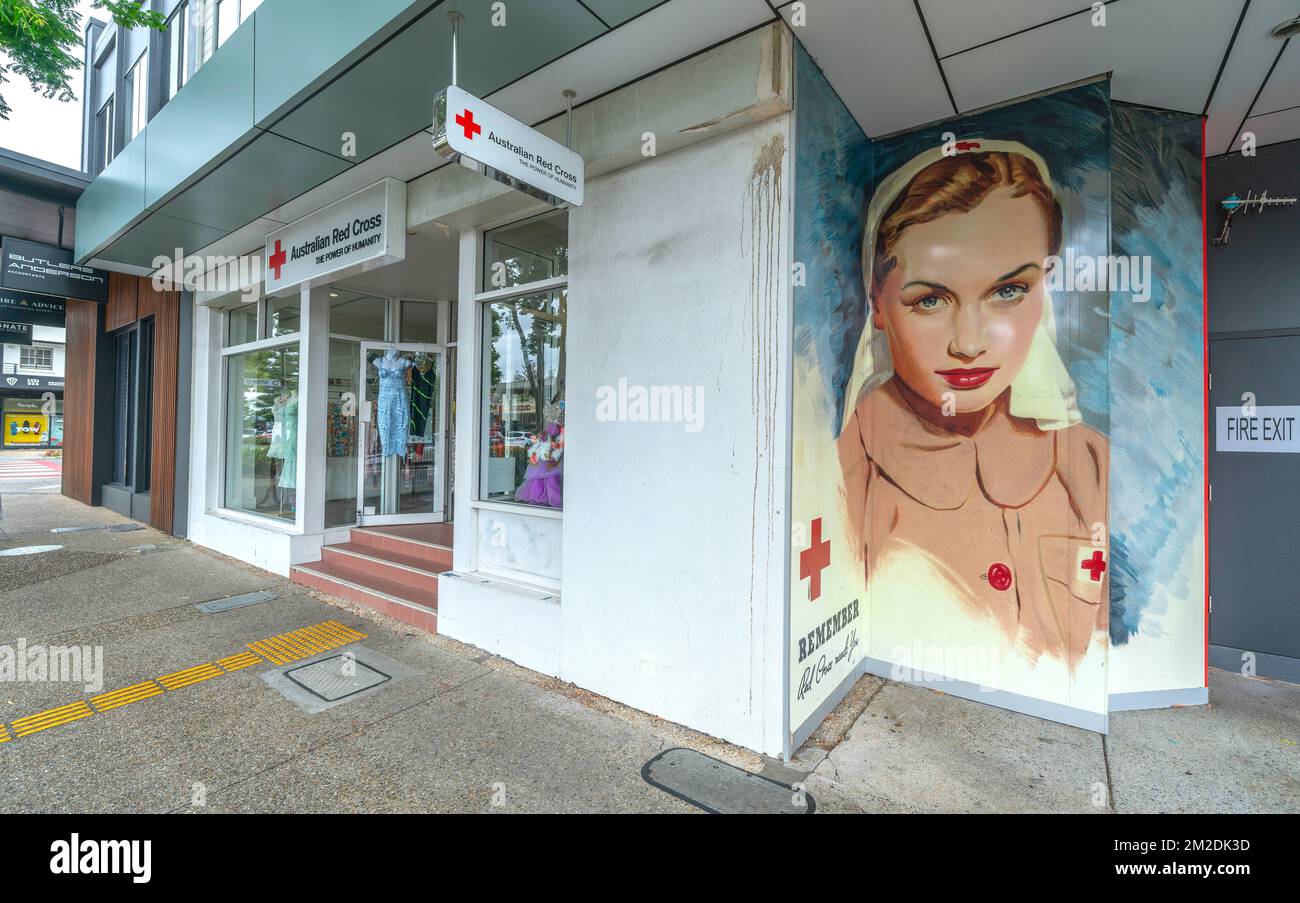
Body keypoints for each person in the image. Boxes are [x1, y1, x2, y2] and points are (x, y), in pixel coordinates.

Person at [837, 141, 1108, 668]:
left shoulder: (1089, 462)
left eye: (1008, 291)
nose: (969, 342)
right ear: (878, 306)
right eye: (930, 300)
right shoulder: (843, 472)